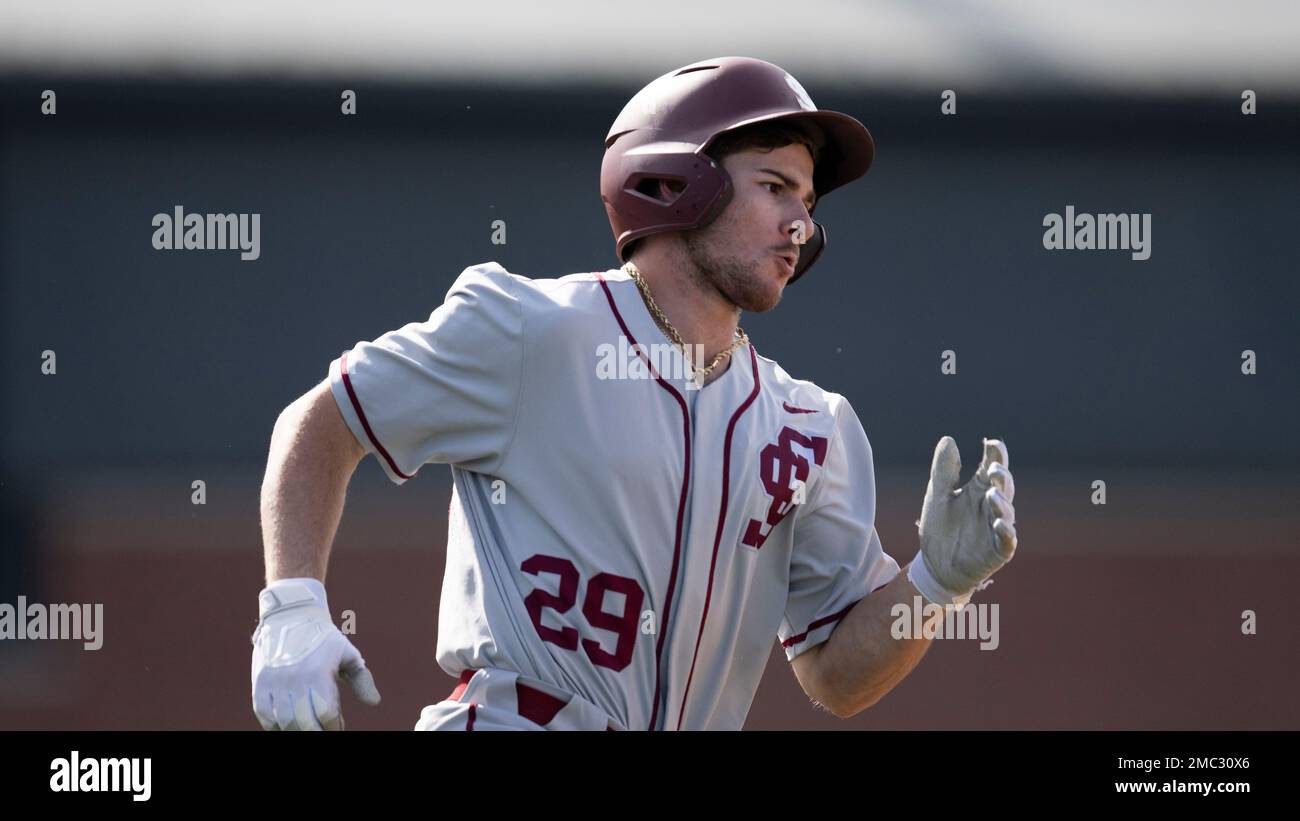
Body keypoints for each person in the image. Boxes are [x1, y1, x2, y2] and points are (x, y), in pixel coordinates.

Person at [251, 56, 1018, 731]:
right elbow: (324, 420)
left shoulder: (811, 425)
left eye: (809, 203)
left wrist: (935, 583)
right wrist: (291, 605)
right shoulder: (531, 329)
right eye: (776, 186)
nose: (800, 226)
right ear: (672, 181)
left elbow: (836, 676)